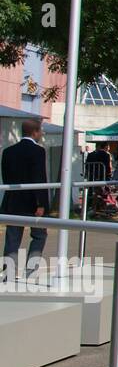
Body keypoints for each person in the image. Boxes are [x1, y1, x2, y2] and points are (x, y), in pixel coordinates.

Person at [1, 119, 52, 279]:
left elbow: (6, 176)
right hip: (32, 202)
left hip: (13, 200)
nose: (42, 134)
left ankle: (8, 272)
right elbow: (40, 178)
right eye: (41, 131)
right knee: (39, 235)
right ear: (35, 132)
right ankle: (30, 271)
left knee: (13, 237)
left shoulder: (8, 151)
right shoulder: (38, 151)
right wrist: (42, 203)